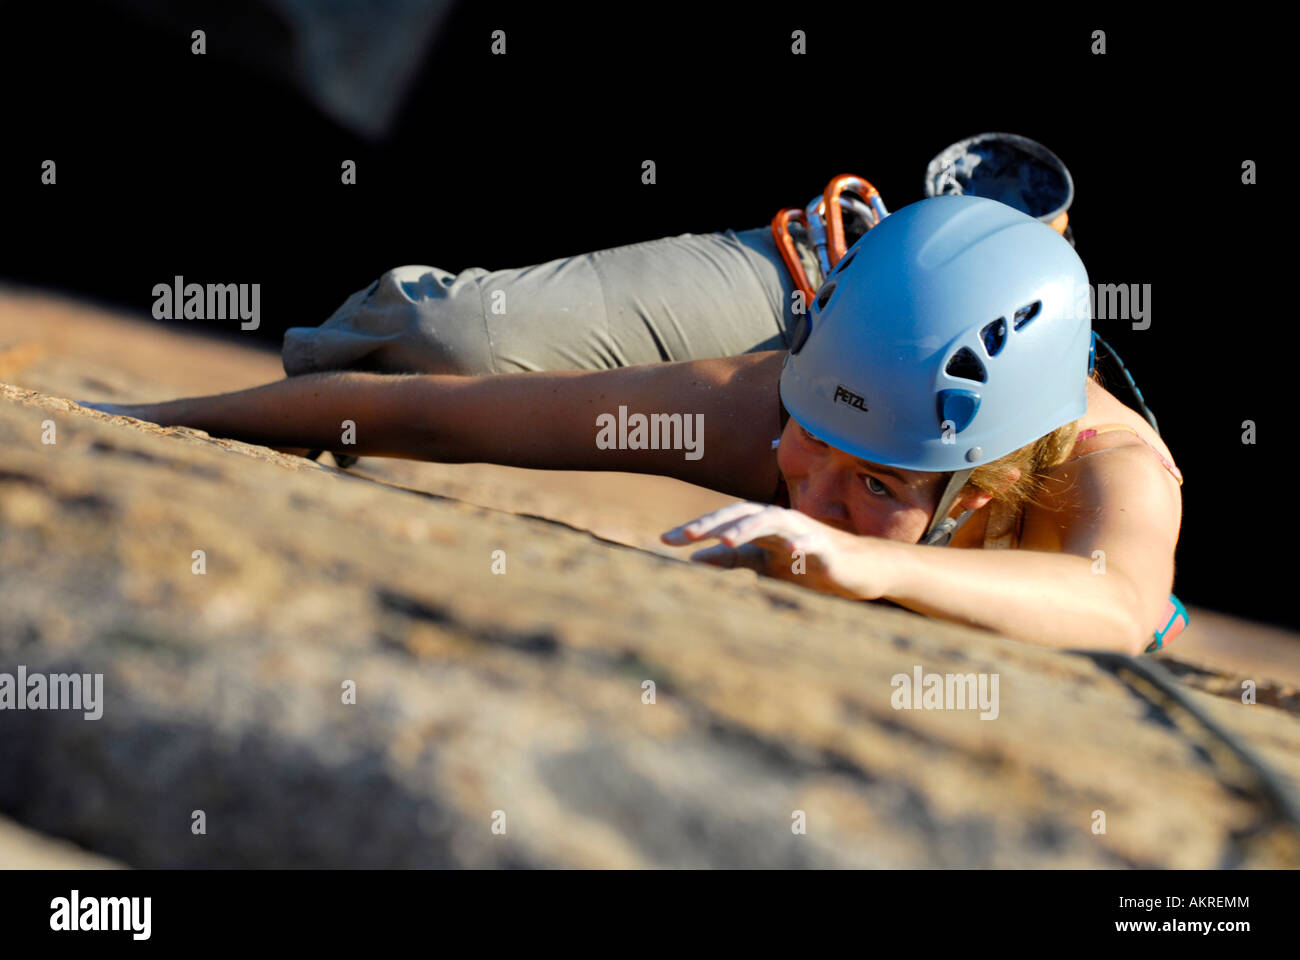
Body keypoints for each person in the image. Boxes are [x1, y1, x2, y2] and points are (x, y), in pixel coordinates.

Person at [82, 196, 1184, 655]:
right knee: (453, 341)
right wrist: (131, 424)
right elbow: (429, 414)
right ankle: (829, 260)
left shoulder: (1112, 478)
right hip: (823, 299)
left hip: (913, 353)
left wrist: (853, 559)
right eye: (811, 458)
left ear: (975, 498)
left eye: (875, 488)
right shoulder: (770, 411)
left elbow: (1116, 604)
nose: (809, 499)